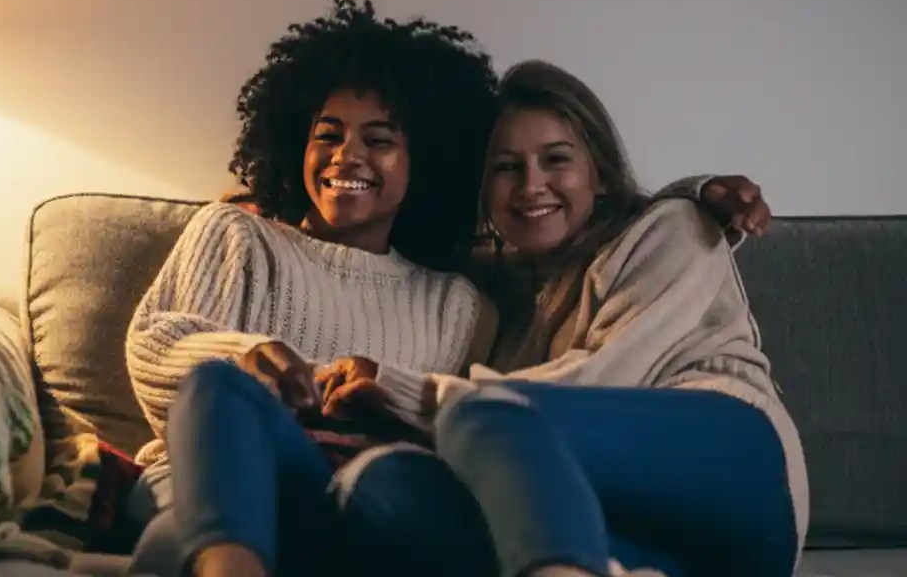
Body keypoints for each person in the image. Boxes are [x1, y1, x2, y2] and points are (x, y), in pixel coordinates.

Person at [321, 60, 805, 577]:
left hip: (739, 472)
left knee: (481, 412)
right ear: (482, 188)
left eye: (556, 160)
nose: (532, 186)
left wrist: (406, 395)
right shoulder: (488, 296)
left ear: (598, 173)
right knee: (381, 483)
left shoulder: (672, 228)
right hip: (648, 533)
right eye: (507, 168)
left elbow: (607, 380)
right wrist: (284, 211)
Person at [123, 0, 502, 577]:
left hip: (363, 495)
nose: (346, 156)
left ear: (422, 161)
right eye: (327, 135)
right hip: (226, 477)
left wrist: (389, 402)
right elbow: (154, 343)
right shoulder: (237, 234)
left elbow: (466, 431)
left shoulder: (455, 304)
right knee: (181, 519)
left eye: (378, 140)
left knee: (394, 495)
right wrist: (245, 355)